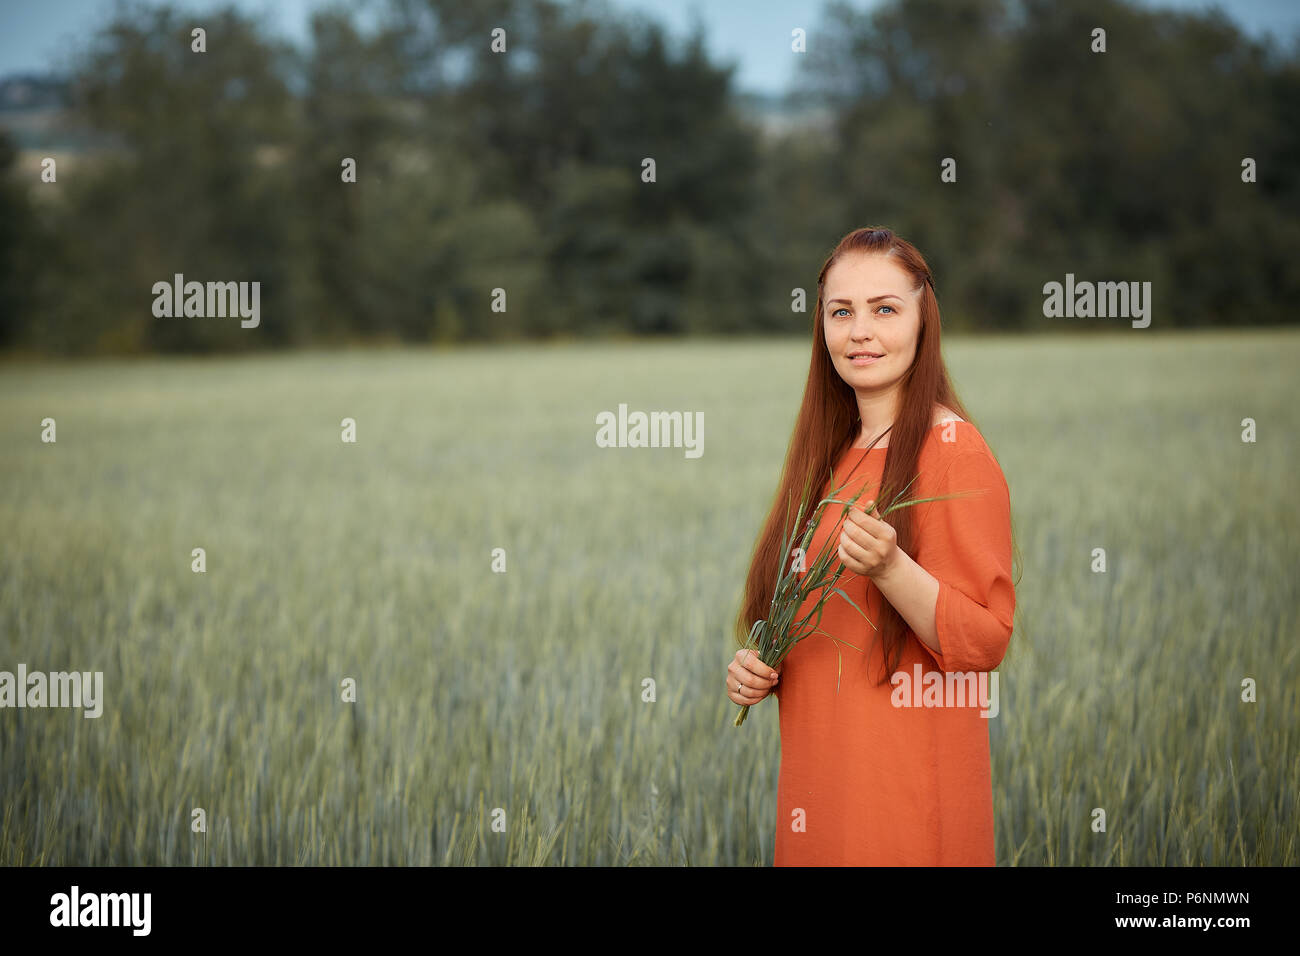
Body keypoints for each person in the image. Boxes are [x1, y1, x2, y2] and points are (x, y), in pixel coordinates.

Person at [728, 226, 1019, 865]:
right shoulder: (834, 454)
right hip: (821, 790)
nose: (860, 331)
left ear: (924, 322)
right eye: (842, 312)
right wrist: (760, 663)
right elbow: (822, 624)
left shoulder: (952, 452)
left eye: (885, 309)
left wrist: (891, 568)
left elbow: (986, 641)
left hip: (902, 800)